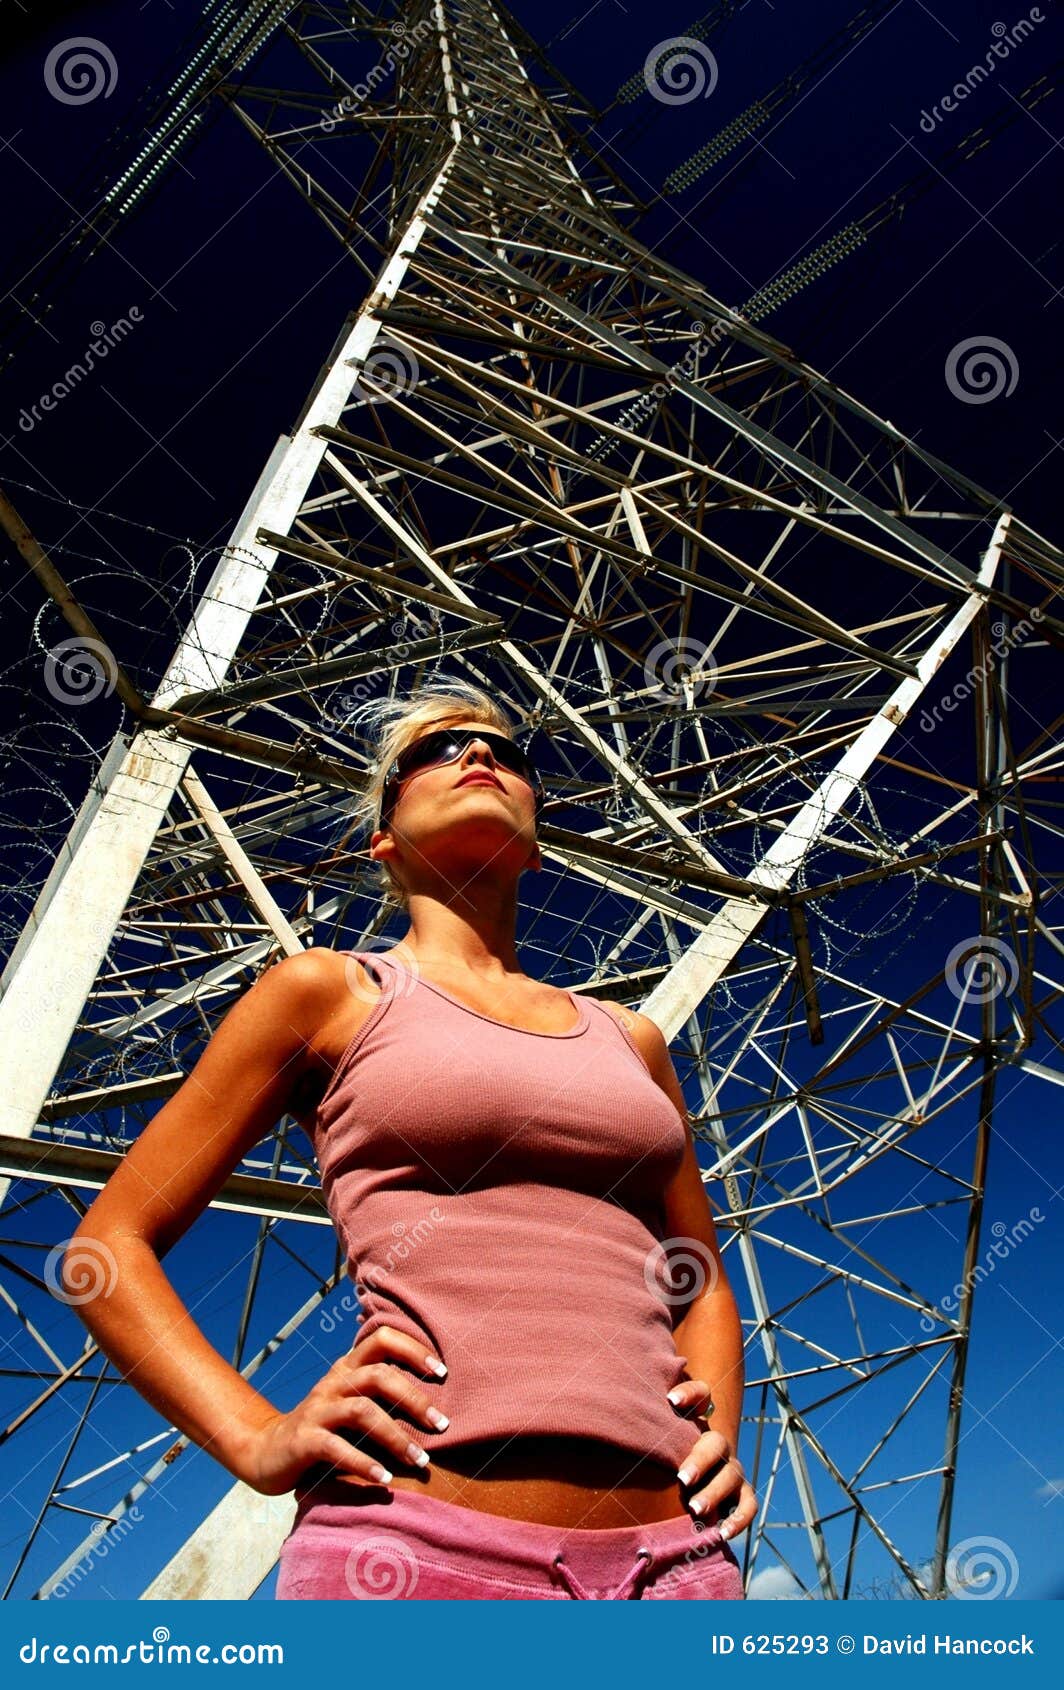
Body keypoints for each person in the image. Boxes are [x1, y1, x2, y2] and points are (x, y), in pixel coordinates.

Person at [63, 679, 757, 1600]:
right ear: (382, 836)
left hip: (679, 1565)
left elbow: (696, 1272)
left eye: (508, 755)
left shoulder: (631, 1040)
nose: (479, 757)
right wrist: (255, 1436)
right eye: (435, 753)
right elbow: (106, 1247)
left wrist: (719, 1433)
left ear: (538, 834)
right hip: (417, 1549)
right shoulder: (328, 994)